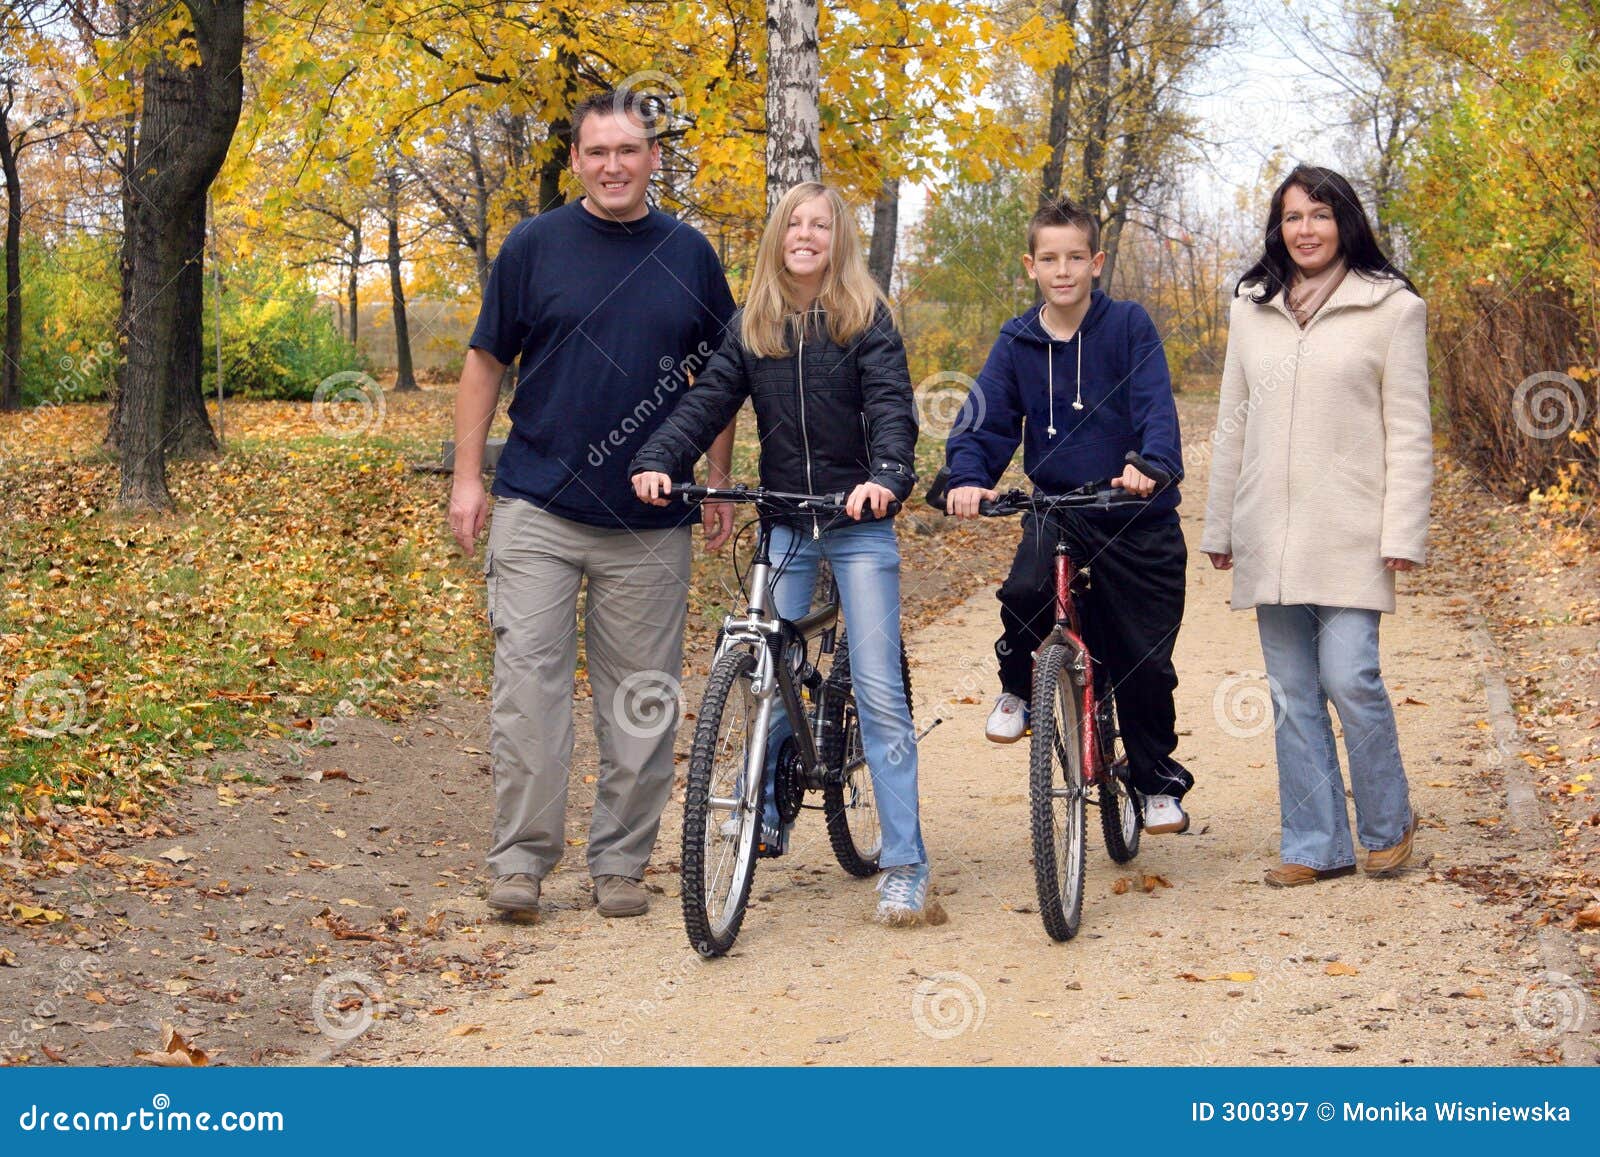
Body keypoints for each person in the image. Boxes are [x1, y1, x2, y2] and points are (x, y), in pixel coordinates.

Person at [448, 90, 736, 921]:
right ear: (576, 160)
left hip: (650, 521)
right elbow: (484, 364)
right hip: (537, 505)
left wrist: (717, 477)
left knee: (640, 698)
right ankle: (520, 862)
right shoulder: (534, 246)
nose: (614, 166)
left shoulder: (688, 254)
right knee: (528, 693)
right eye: (598, 152)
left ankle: (620, 862)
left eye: (629, 150)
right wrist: (468, 479)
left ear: (653, 159)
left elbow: (723, 376)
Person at [629, 181, 931, 925]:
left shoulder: (865, 318)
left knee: (880, 693)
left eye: (820, 224)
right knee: (771, 666)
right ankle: (765, 809)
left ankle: (906, 863)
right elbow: (707, 402)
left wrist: (887, 477)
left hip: (856, 520)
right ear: (777, 236)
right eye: (794, 222)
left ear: (838, 240)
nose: (805, 234)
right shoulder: (754, 323)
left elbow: (892, 409)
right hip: (787, 521)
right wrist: (660, 457)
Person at [1199, 164, 1431, 887]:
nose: (1306, 230)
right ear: (1279, 227)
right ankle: (1314, 842)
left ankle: (1388, 824)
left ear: (1345, 223)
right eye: (1293, 216)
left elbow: (1410, 432)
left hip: (1353, 529)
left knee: (1349, 674)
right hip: (1268, 528)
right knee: (1292, 690)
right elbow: (1232, 423)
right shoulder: (1251, 307)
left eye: (1320, 215)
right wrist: (1220, 523)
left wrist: (1404, 532)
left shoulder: (1392, 308)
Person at [943, 196, 1194, 835]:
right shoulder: (1017, 340)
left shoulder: (1129, 325)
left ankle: (1153, 782)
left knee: (1143, 660)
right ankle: (1019, 688)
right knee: (1026, 587)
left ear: (1096, 263)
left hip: (1133, 511)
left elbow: (1155, 405)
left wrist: (1151, 463)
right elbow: (986, 418)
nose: (1063, 271)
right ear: (1031, 265)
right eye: (1050, 259)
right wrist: (968, 478)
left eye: (1075, 258)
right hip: (1060, 506)